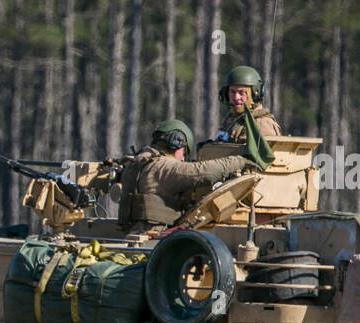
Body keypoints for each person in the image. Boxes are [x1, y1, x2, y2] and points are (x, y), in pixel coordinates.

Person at [115, 119, 255, 231]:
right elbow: (203, 172)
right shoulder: (163, 167)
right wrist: (241, 160)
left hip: (134, 232)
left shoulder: (137, 162)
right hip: (153, 237)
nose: (183, 159)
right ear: (175, 143)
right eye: (183, 152)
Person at [214, 65, 281, 142]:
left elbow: (267, 153)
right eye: (232, 92)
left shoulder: (261, 123)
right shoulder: (230, 120)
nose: (236, 97)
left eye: (241, 92)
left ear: (255, 94)